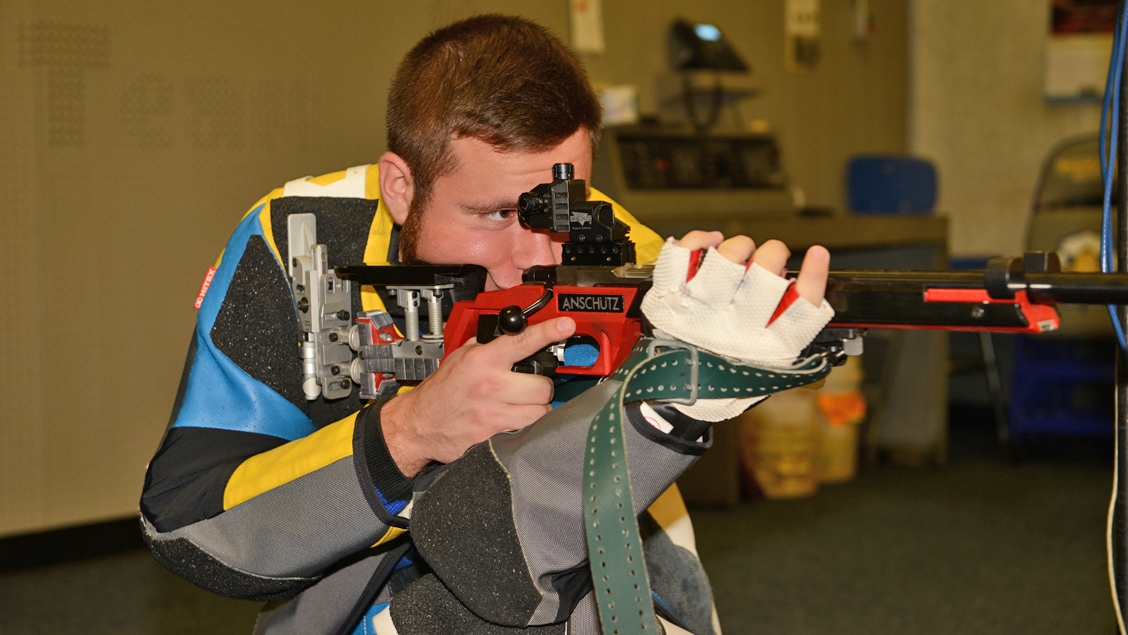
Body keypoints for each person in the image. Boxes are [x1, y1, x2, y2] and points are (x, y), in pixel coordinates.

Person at [139, 14, 833, 635]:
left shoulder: (625, 252)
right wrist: (407, 433)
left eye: (564, 208)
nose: (534, 259)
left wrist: (704, 374)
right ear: (401, 187)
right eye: (498, 214)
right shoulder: (298, 241)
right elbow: (187, 524)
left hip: (574, 587)